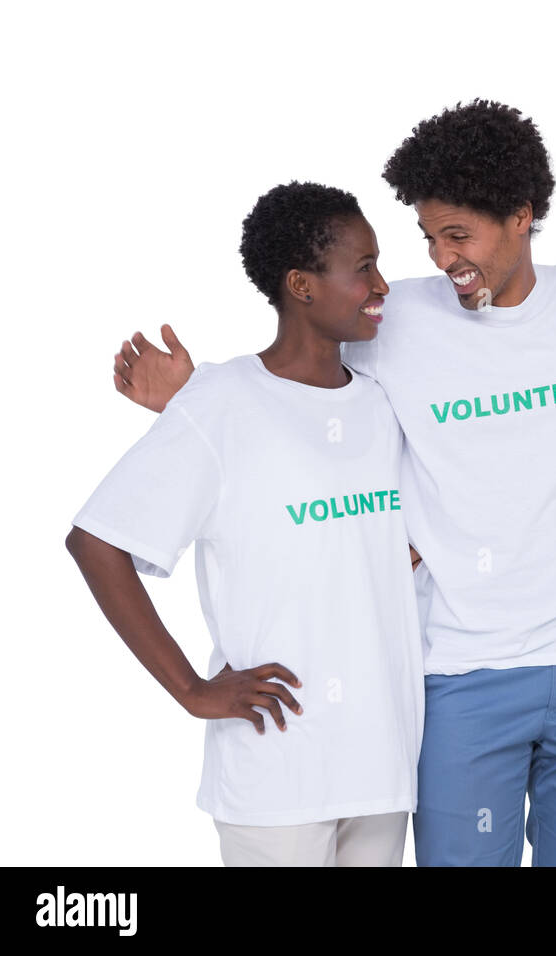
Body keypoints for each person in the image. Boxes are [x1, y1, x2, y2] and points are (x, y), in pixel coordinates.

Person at [108, 101, 556, 867]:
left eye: (457, 235)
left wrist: (528, 499)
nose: (438, 259)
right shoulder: (398, 321)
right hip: (461, 667)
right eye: (428, 236)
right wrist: (192, 395)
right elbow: (289, 390)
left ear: (523, 216)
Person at [68, 182, 424, 866]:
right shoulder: (222, 403)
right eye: (364, 268)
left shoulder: (382, 406)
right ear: (302, 285)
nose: (382, 285)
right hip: (277, 769)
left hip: (381, 759)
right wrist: (192, 690)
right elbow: (96, 541)